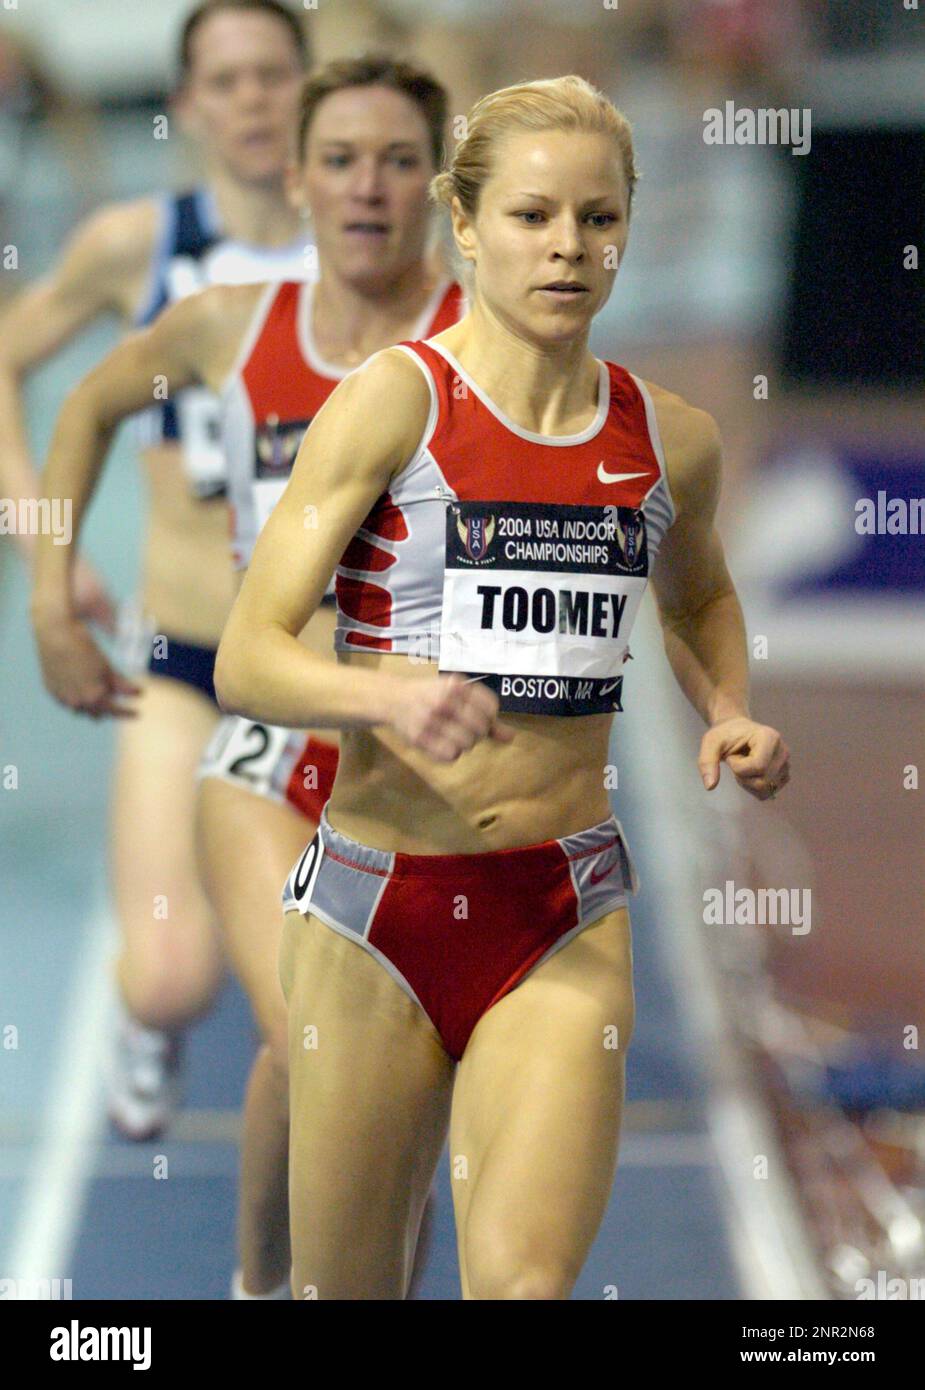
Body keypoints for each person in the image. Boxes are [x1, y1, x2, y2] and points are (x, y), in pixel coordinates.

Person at [214, 73, 791, 1300]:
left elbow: (696, 596)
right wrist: (383, 696)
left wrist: (730, 708)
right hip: (376, 911)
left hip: (561, 907)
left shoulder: (666, 436)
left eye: (598, 218)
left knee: (522, 1289)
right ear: (465, 228)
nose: (569, 248)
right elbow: (249, 650)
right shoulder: (392, 405)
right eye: (534, 217)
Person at [32, 54, 462, 1297]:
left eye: (394, 163)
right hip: (265, 746)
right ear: (298, 175)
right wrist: (52, 591)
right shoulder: (230, 328)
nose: (367, 190)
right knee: (332, 1051)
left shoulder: (484, 340)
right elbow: (87, 409)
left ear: (435, 184)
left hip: (425, 768)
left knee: (374, 1079)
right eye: (339, 161)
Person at [14, 0, 314, 1140]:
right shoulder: (137, 246)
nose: (251, 100)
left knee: (326, 997)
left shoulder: (373, 246)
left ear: (308, 86)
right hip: (185, 663)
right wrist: (41, 527)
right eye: (224, 81)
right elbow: (10, 357)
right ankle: (147, 1022)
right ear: (185, 104)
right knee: (173, 973)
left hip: (335, 674)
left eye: (272, 74)